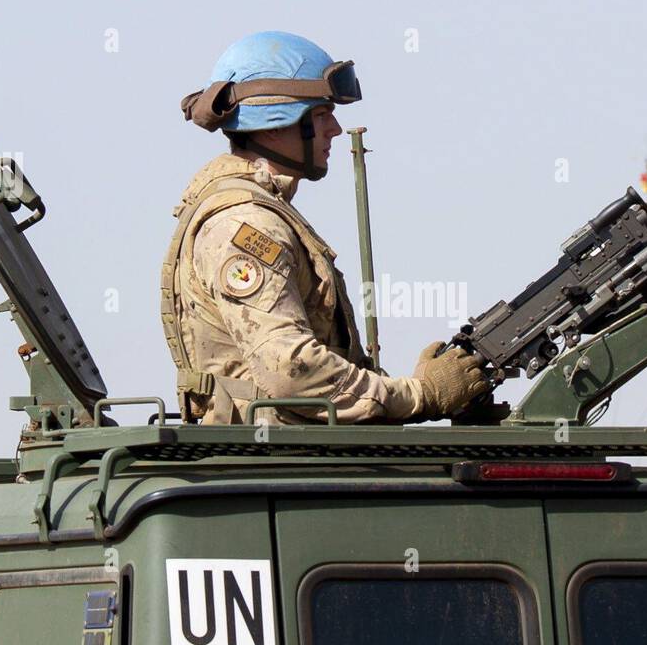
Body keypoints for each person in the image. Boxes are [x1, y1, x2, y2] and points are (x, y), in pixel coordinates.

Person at [162, 31, 487, 425]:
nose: (334, 129)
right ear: (275, 123)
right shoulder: (246, 226)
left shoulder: (261, 212)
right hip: (280, 465)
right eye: (321, 115)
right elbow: (291, 370)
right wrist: (419, 394)